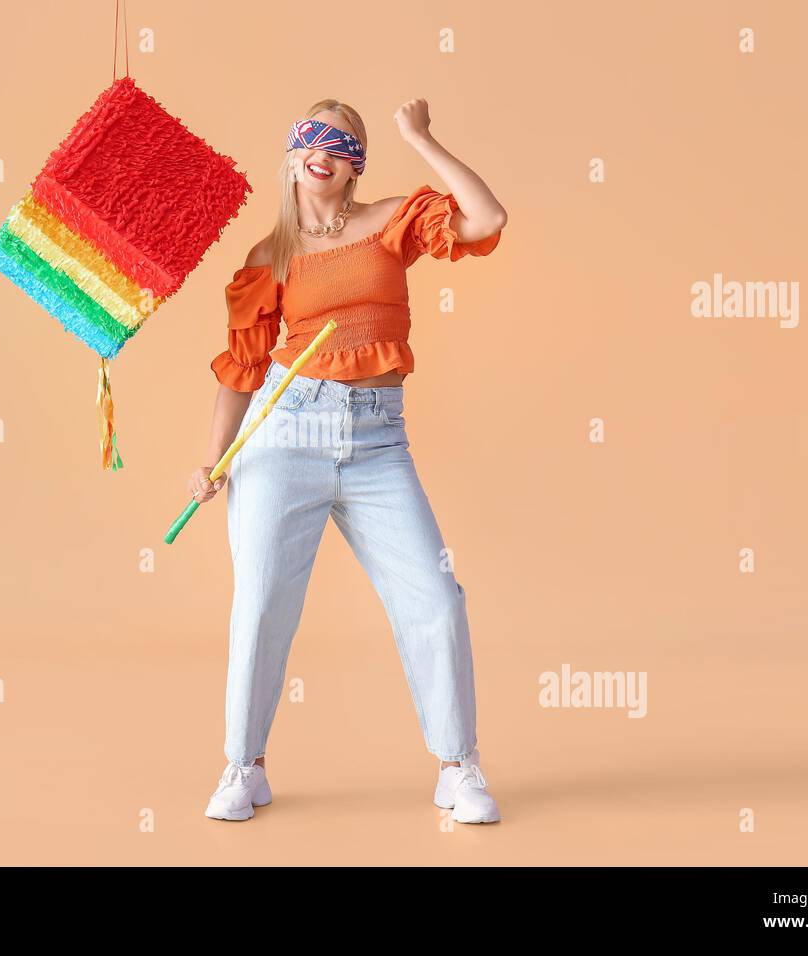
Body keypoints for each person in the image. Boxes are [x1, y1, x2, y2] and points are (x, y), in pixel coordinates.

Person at [190, 97, 507, 823]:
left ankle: (458, 768)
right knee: (262, 603)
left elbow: (486, 219)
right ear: (292, 152)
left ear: (357, 164)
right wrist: (213, 459)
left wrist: (419, 138)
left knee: (436, 599)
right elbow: (242, 369)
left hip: (377, 441)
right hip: (283, 435)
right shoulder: (268, 257)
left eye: (343, 143)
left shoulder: (392, 222)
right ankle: (244, 766)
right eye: (312, 137)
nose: (323, 151)